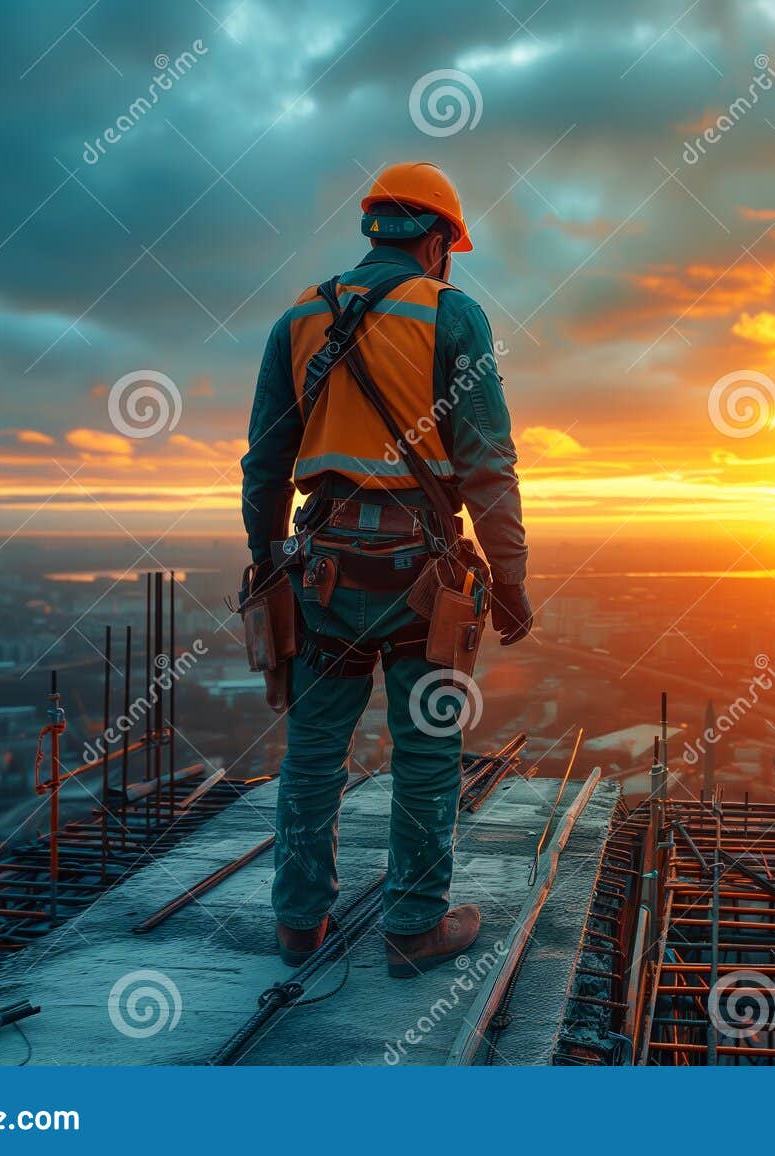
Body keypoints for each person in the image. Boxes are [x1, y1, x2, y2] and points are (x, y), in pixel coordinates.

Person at [240, 161, 532, 976]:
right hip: (420, 577)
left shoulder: (300, 316)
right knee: (429, 747)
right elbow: (488, 465)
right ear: (438, 240)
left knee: (313, 751)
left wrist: (265, 566)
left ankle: (299, 923)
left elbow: (264, 466)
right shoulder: (451, 315)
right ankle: (411, 926)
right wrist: (509, 580)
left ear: (376, 229)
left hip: (322, 569)